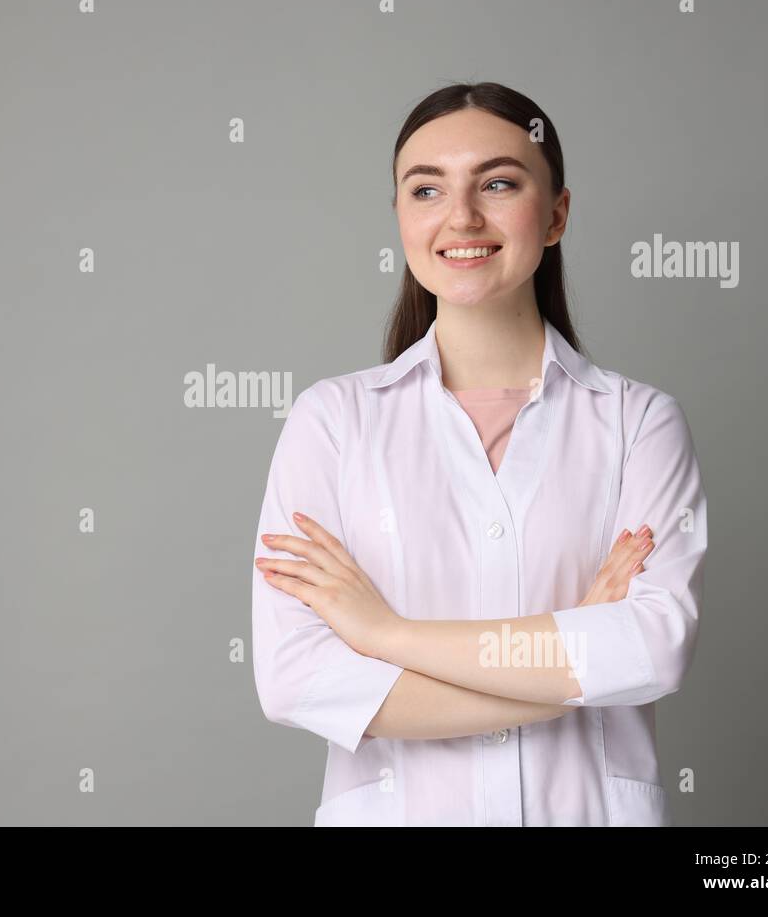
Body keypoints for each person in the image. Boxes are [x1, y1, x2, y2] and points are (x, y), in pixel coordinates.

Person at [250, 82, 707, 826]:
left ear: (556, 213)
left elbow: (651, 649)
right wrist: (570, 656)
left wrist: (385, 636)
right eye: (426, 189)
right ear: (400, 216)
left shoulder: (639, 423)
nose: (461, 217)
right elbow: (296, 678)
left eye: (497, 183)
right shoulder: (331, 422)